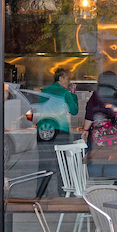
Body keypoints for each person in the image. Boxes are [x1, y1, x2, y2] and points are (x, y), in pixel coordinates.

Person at [36, 68, 80, 197]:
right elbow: (74, 110)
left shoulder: (44, 91)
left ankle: (40, 193)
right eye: (68, 78)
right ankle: (63, 192)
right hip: (60, 129)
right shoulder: (65, 93)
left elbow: (38, 109)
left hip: (43, 129)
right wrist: (73, 94)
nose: (69, 82)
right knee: (62, 164)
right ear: (60, 78)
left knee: (44, 163)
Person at [81, 71, 117, 178]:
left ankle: (96, 189)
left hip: (98, 137)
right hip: (116, 136)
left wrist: (85, 131)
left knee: (96, 162)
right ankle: (111, 189)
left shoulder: (97, 95)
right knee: (112, 164)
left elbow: (90, 114)